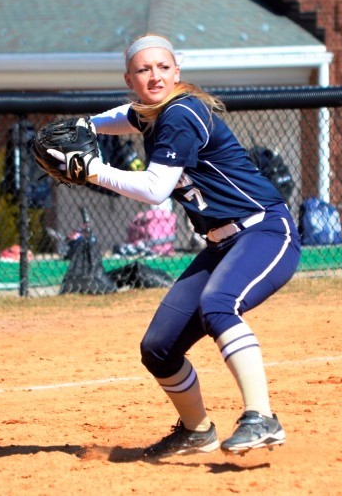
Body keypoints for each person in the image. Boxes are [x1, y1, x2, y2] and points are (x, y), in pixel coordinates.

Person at [81, 34, 302, 458]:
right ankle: (196, 430)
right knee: (159, 348)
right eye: (144, 70)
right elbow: (127, 117)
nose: (155, 76)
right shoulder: (152, 113)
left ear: (177, 72)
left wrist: (93, 171)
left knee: (218, 304)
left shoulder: (181, 112)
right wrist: (86, 126)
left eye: (163, 67)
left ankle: (262, 417)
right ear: (130, 79)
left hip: (265, 230)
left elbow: (154, 188)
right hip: (221, 244)